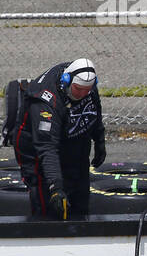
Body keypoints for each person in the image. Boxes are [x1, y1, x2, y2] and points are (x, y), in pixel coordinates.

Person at [11, 59, 105, 219]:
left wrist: (99, 141)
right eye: (78, 90)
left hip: (73, 143)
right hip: (39, 153)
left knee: (80, 202)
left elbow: (94, 112)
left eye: (86, 90)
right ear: (67, 81)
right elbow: (47, 148)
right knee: (50, 208)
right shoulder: (44, 101)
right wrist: (56, 187)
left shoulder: (88, 88)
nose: (82, 94)